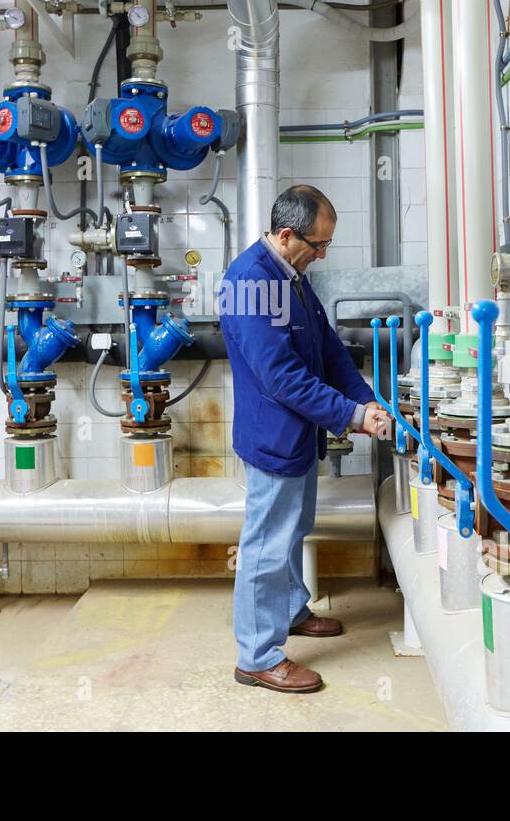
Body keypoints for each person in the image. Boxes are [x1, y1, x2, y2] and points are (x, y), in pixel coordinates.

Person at [219, 184, 388, 693]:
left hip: (298, 434)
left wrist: (367, 399)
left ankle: (290, 610)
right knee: (266, 546)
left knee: (292, 530)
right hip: (274, 437)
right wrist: (353, 417)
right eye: (319, 245)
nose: (323, 254)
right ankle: (257, 656)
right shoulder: (250, 282)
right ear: (287, 235)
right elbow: (283, 379)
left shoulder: (289, 275)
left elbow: (329, 350)